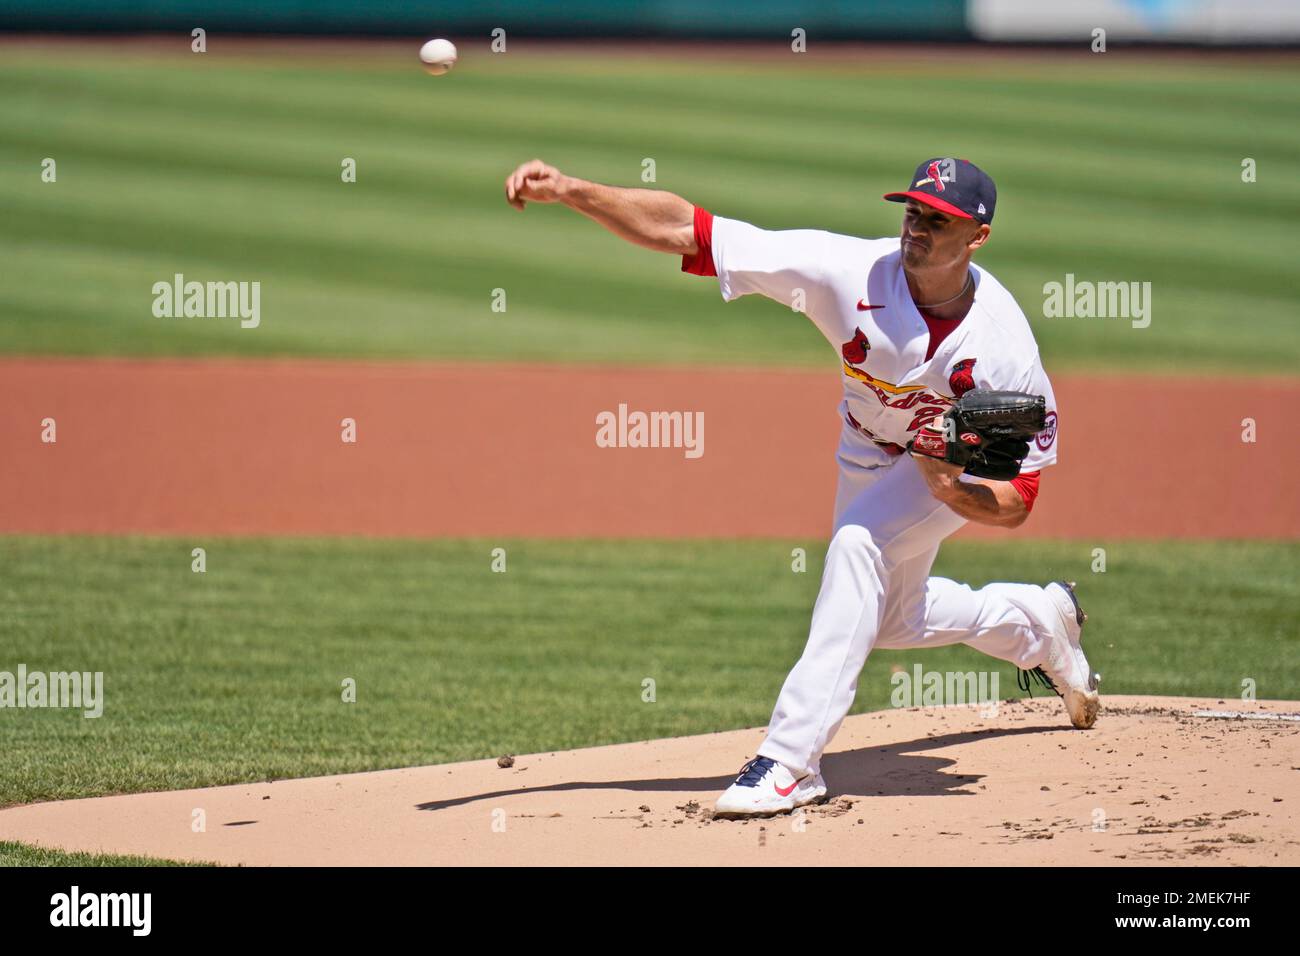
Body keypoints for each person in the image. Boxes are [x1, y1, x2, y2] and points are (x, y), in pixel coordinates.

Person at [504, 156, 1100, 819]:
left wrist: (949, 487)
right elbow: (692, 230)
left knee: (857, 546)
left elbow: (1018, 501)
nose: (919, 229)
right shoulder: (847, 274)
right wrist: (571, 190)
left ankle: (791, 762)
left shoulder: (1004, 353)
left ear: (978, 237)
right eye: (913, 212)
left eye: (940, 220)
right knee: (892, 618)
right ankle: (1038, 624)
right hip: (865, 449)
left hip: (942, 473)